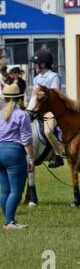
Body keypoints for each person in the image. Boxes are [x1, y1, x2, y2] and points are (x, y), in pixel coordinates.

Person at [0, 79, 34, 229]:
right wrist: (31, 158)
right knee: (16, 190)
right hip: (14, 153)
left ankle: (7, 218)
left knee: (5, 190)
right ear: (19, 97)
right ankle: (9, 221)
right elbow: (26, 139)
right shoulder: (22, 115)